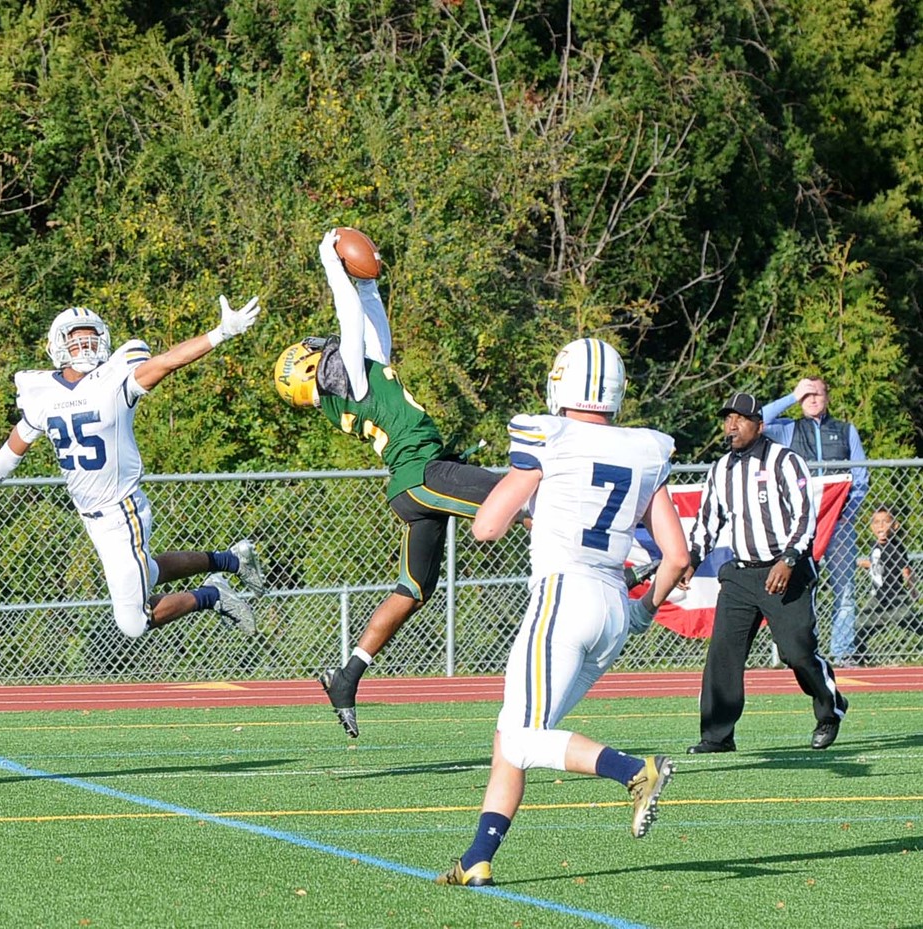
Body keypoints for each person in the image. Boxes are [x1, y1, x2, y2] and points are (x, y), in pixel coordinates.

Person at [435, 337, 690, 888]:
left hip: (563, 596)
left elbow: (486, 527)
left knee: (523, 739)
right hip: (615, 610)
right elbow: (677, 556)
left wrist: (519, 499)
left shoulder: (549, 435)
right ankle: (477, 858)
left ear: (560, 383)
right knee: (515, 733)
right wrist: (644, 611)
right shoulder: (645, 448)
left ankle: (635, 771)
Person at [275, 229, 501, 739]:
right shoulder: (349, 383)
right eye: (316, 352)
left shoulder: (361, 379)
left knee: (414, 590)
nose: (326, 346)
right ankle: (596, 574)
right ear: (312, 371)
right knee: (517, 495)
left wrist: (369, 277)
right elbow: (350, 317)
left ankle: (346, 677)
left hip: (414, 482)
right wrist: (329, 258)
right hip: (422, 474)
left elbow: (370, 313)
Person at [0, 297, 268, 643]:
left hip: (122, 511)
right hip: (91, 517)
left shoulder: (115, 380)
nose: (85, 345)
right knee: (146, 573)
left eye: (91, 337)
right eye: (76, 338)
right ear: (58, 344)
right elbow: (14, 448)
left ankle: (214, 595)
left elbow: (166, 362)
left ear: (103, 339)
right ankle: (230, 561)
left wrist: (220, 334)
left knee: (132, 622)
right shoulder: (41, 392)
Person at [683, 392, 848, 753]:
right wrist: (692, 559)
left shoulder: (784, 461)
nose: (732, 426)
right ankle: (717, 735)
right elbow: (707, 522)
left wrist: (788, 559)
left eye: (740, 419)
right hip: (741, 575)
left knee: (797, 651)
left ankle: (829, 709)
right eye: (727, 419)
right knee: (724, 652)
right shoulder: (721, 469)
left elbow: (805, 516)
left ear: (759, 424)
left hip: (784, 570)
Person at [762, 377, 869, 665]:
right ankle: (803, 651)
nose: (811, 399)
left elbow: (860, 478)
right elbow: (756, 420)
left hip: (840, 527)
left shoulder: (846, 431)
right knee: (800, 590)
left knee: (844, 591)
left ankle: (842, 652)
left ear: (827, 398)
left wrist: (847, 513)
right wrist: (790, 396)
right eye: (806, 395)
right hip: (802, 529)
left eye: (817, 394)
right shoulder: (788, 429)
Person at [851, 505, 919, 663]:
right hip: (878, 597)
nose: (880, 526)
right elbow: (876, 563)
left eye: (885, 522)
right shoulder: (877, 546)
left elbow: (905, 570)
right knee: (861, 627)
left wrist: (913, 589)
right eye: (876, 522)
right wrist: (857, 563)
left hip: (895, 597)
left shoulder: (895, 547)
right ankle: (860, 657)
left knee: (912, 623)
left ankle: (859, 654)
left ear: (895, 525)